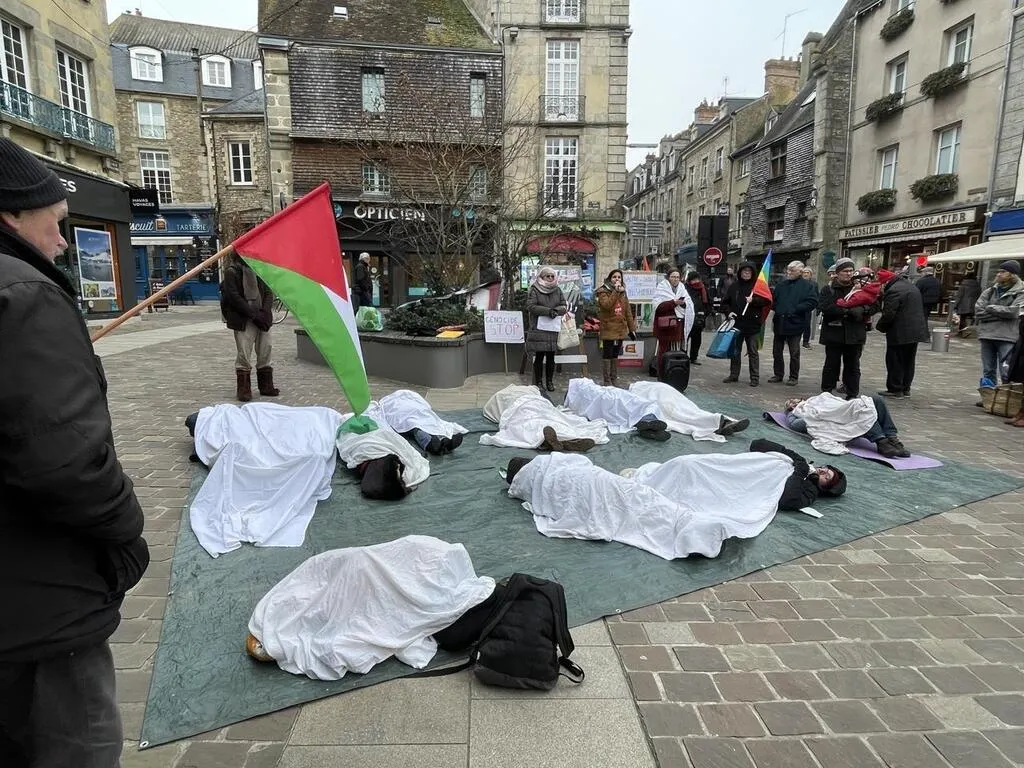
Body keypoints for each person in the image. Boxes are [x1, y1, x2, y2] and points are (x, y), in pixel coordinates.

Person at [0, 137, 149, 766]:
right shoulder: (24, 296)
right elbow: (67, 460)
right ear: (12, 214)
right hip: (39, 604)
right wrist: (127, 532)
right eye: (57, 223)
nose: (64, 242)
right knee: (75, 746)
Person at [502, 443, 845, 560]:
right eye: (827, 469)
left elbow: (787, 499)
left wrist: (808, 477)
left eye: (829, 476)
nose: (825, 470)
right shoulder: (547, 470)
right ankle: (687, 526)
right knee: (636, 497)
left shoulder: (806, 486)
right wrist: (799, 462)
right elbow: (759, 443)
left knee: (634, 496)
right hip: (587, 479)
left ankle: (688, 525)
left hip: (592, 480)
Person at [221, 252, 280, 402]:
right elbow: (234, 297)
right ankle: (244, 388)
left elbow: (268, 291)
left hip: (262, 317)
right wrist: (253, 315)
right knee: (244, 353)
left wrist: (265, 312)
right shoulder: (232, 272)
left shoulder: (260, 270)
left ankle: (266, 385)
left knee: (266, 349)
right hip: (244, 319)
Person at [783, 393, 910, 459]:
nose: (794, 403)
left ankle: (892, 437)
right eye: (790, 404)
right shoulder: (798, 413)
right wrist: (790, 411)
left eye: (794, 400)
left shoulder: (816, 399)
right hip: (834, 417)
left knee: (876, 400)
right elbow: (795, 424)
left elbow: (833, 401)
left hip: (841, 407)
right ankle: (882, 441)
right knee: (860, 412)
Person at [818, 257, 877, 399]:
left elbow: (875, 305)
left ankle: (852, 393)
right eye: (845, 271)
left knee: (853, 366)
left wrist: (863, 310)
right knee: (831, 364)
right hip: (834, 333)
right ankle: (827, 391)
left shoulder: (860, 287)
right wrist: (846, 311)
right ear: (837, 273)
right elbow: (824, 307)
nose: (849, 274)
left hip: (854, 334)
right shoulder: (829, 289)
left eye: (851, 270)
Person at [875, 268, 929, 398]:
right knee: (909, 360)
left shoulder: (893, 291)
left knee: (895, 360)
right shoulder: (910, 286)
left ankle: (895, 388)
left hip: (900, 331)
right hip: (915, 330)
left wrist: (880, 327)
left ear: (885, 282)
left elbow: (889, 314)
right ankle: (906, 387)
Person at [975, 260, 1024, 385]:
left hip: (1007, 336)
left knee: (1006, 369)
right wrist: (1002, 315)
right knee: (988, 369)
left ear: (1012, 274)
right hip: (987, 335)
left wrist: (991, 308)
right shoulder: (990, 290)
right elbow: (979, 311)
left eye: (1003, 272)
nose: (998, 274)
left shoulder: (1021, 292)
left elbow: (1014, 312)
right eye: (998, 271)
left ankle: (1005, 398)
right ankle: (989, 396)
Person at [769, 260, 818, 386]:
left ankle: (793, 376)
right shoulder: (781, 285)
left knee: (794, 352)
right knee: (776, 351)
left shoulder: (808, 286)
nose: (789, 272)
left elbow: (812, 302)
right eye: (788, 270)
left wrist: (796, 309)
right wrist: (777, 308)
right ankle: (778, 374)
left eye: (792, 270)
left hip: (796, 322)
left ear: (800, 272)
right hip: (780, 321)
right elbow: (774, 300)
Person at [724, 261, 770, 387]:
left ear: (753, 273)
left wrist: (754, 300)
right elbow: (725, 302)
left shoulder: (758, 286)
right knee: (735, 351)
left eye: (749, 271)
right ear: (740, 272)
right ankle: (734, 375)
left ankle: (754, 377)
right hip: (737, 323)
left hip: (752, 324)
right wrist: (728, 312)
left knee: (753, 352)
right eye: (744, 271)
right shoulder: (734, 286)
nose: (746, 273)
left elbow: (766, 301)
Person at [526, 267, 568, 392]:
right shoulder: (534, 289)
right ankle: (538, 381)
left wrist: (556, 311)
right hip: (540, 328)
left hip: (553, 328)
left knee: (551, 356)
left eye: (552, 276)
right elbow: (531, 306)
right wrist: (548, 311)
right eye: (547, 276)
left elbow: (564, 305)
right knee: (539, 356)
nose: (550, 278)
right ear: (541, 277)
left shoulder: (558, 289)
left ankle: (549, 381)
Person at [596, 269, 637, 386]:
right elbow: (607, 305)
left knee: (615, 354)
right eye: (614, 277)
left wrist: (632, 329)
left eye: (619, 277)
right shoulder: (603, 291)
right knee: (607, 354)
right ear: (610, 279)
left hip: (620, 329)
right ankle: (607, 380)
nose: (617, 279)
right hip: (609, 328)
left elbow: (628, 312)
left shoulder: (623, 293)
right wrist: (615, 291)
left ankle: (614, 378)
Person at [650, 269, 693, 376]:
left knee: (677, 350)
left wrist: (682, 304)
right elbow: (658, 307)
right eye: (673, 277)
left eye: (677, 277)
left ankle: (674, 373)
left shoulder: (682, 288)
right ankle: (662, 373)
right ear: (668, 277)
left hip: (678, 326)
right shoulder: (661, 288)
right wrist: (673, 302)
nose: (675, 279)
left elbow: (689, 305)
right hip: (666, 326)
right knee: (664, 350)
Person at [685, 272, 709, 364]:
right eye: (693, 280)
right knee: (685, 338)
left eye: (697, 279)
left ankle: (694, 357)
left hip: (699, 318)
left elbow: (708, 302)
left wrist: (705, 313)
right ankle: (684, 356)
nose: (696, 281)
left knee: (697, 339)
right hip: (687, 317)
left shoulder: (703, 288)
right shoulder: (685, 288)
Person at [950, 270, 981, 335]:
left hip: (964, 304)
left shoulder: (964, 284)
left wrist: (955, 305)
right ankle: (962, 331)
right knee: (970, 317)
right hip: (974, 303)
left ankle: (963, 331)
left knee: (963, 318)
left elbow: (959, 295)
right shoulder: (977, 285)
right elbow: (979, 294)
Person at [801, 266, 819, 349]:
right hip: (797, 306)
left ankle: (805, 341)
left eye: (807, 273)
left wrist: (815, 306)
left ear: (810, 274)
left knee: (807, 324)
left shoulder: (814, 284)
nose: (805, 274)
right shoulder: (798, 282)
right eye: (804, 272)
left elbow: (816, 296)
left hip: (808, 307)